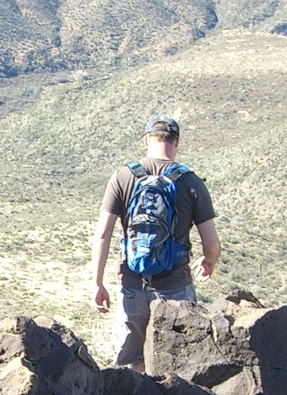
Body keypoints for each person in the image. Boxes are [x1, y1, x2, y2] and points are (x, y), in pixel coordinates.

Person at [91, 114, 222, 369]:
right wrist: (209, 261)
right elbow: (213, 246)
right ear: (177, 142)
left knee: (132, 362)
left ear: (146, 141)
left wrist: (97, 283)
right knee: (180, 362)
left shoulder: (122, 177)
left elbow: (103, 234)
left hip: (132, 284)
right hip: (175, 286)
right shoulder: (191, 182)